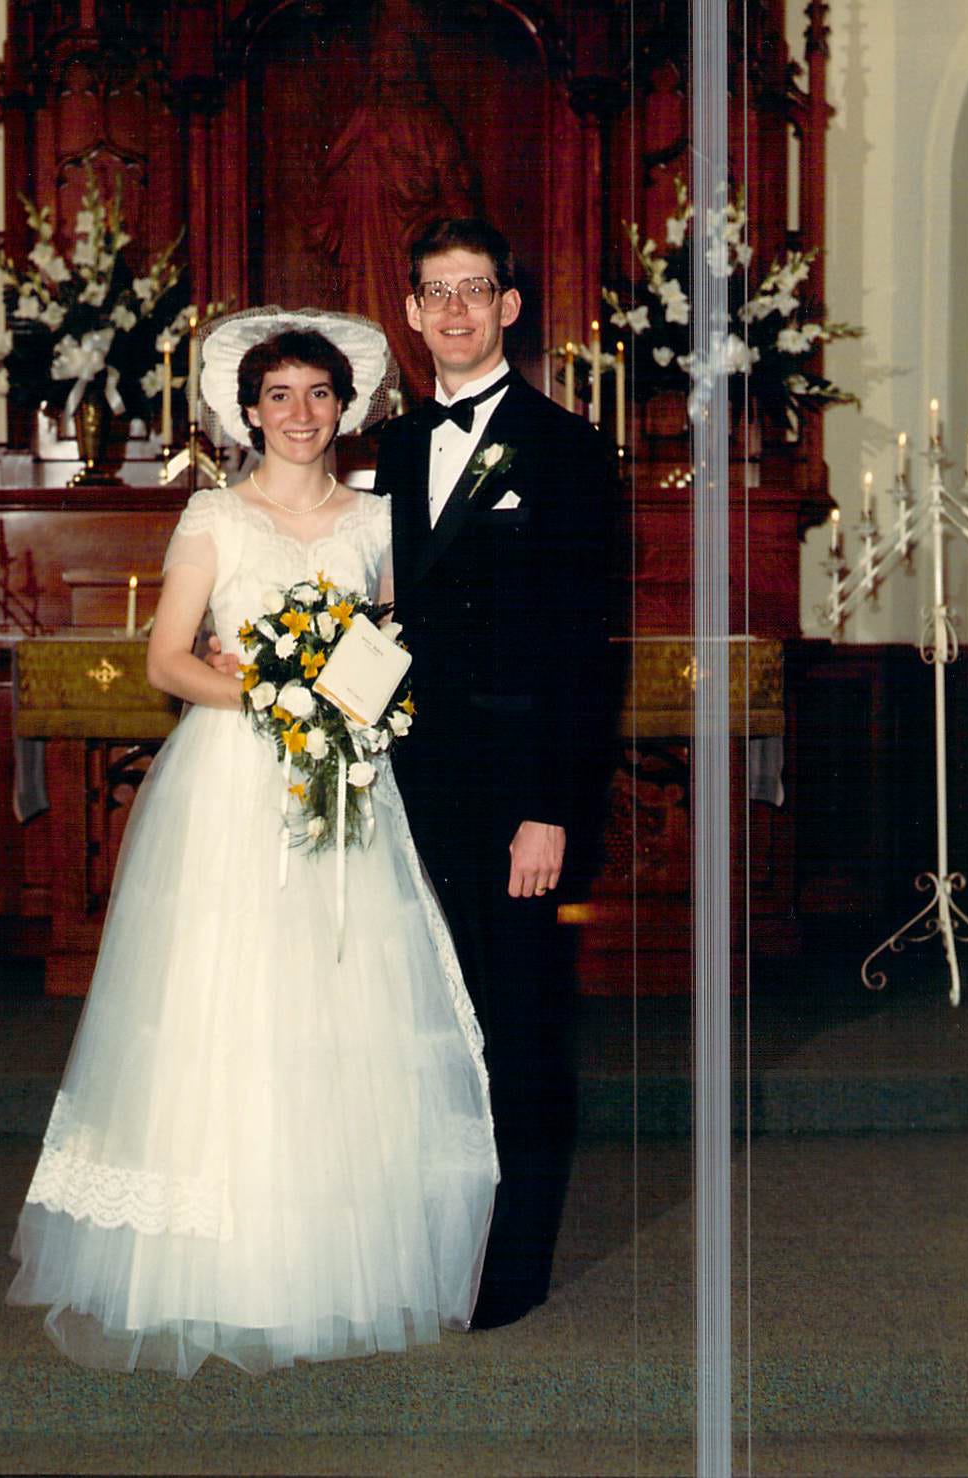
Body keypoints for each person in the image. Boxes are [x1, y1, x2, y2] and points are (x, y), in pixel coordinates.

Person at [7, 308, 498, 1379]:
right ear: (248, 411)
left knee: (339, 993)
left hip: (342, 783)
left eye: (318, 394)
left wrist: (344, 700)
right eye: (279, 396)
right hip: (232, 780)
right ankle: (221, 1266)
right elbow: (166, 661)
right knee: (229, 1002)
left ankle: (333, 1252)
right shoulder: (213, 518)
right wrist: (269, 693)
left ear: (347, 406)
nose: (301, 414)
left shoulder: (377, 518)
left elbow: (391, 643)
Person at [374, 219, 618, 1329]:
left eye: (478, 289)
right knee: (421, 1018)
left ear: (510, 305)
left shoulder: (567, 449)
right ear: (412, 313)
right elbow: (382, 617)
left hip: (514, 793)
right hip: (407, 786)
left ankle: (507, 1272)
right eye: (437, 293)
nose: (459, 310)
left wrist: (548, 812)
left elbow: (583, 646)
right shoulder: (385, 447)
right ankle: (426, 1243)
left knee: (516, 1019)